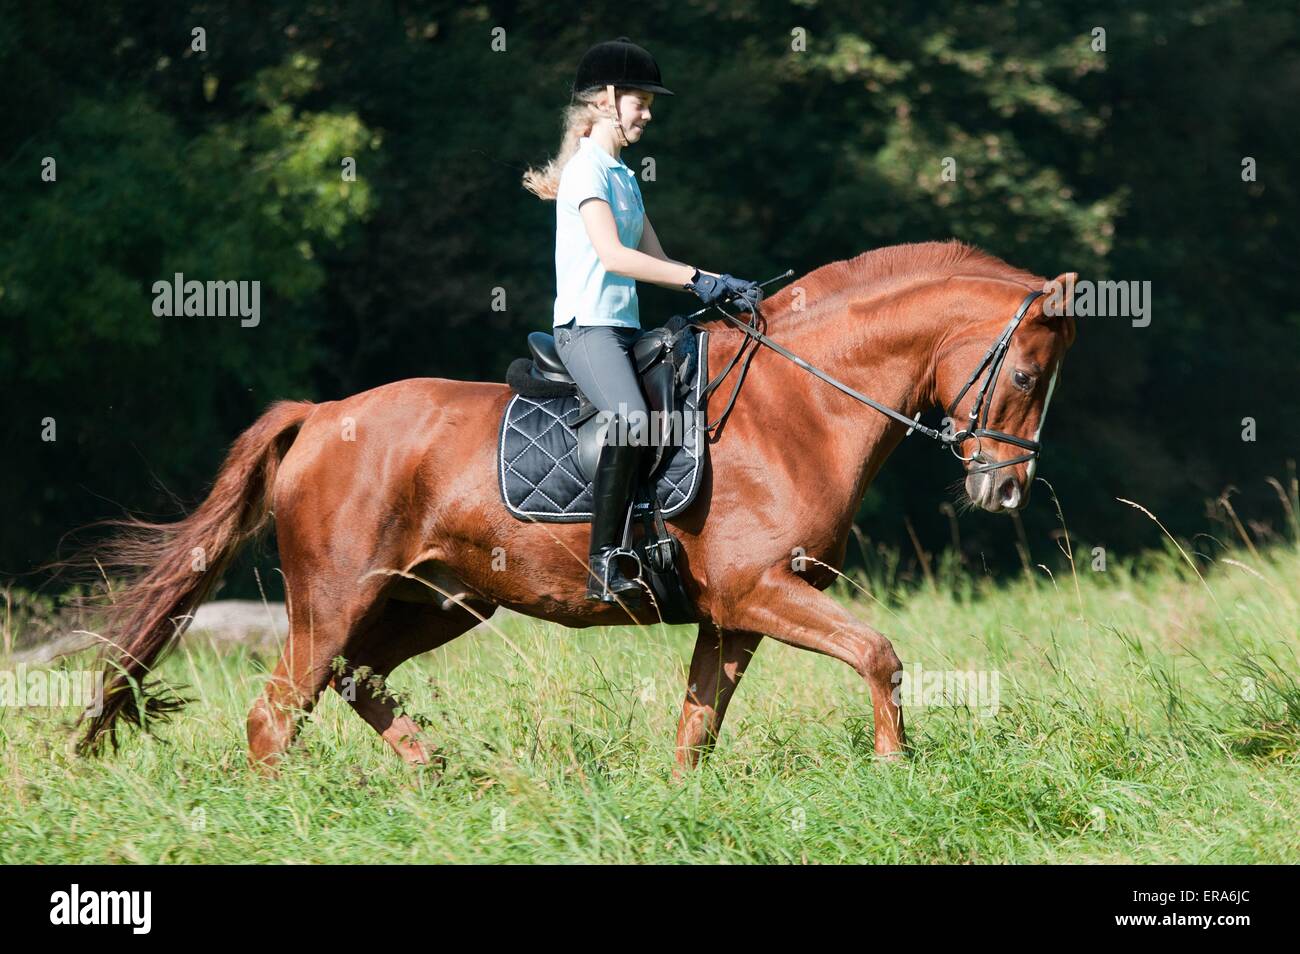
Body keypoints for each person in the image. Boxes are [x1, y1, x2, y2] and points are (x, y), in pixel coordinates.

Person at [522, 37, 760, 606]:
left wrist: (717, 283)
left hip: (626, 330)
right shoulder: (587, 172)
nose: (648, 114)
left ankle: (658, 535)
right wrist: (695, 279)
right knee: (631, 419)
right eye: (640, 102)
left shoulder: (624, 176)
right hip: (586, 329)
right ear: (606, 99)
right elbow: (615, 256)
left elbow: (659, 258)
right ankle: (603, 562)